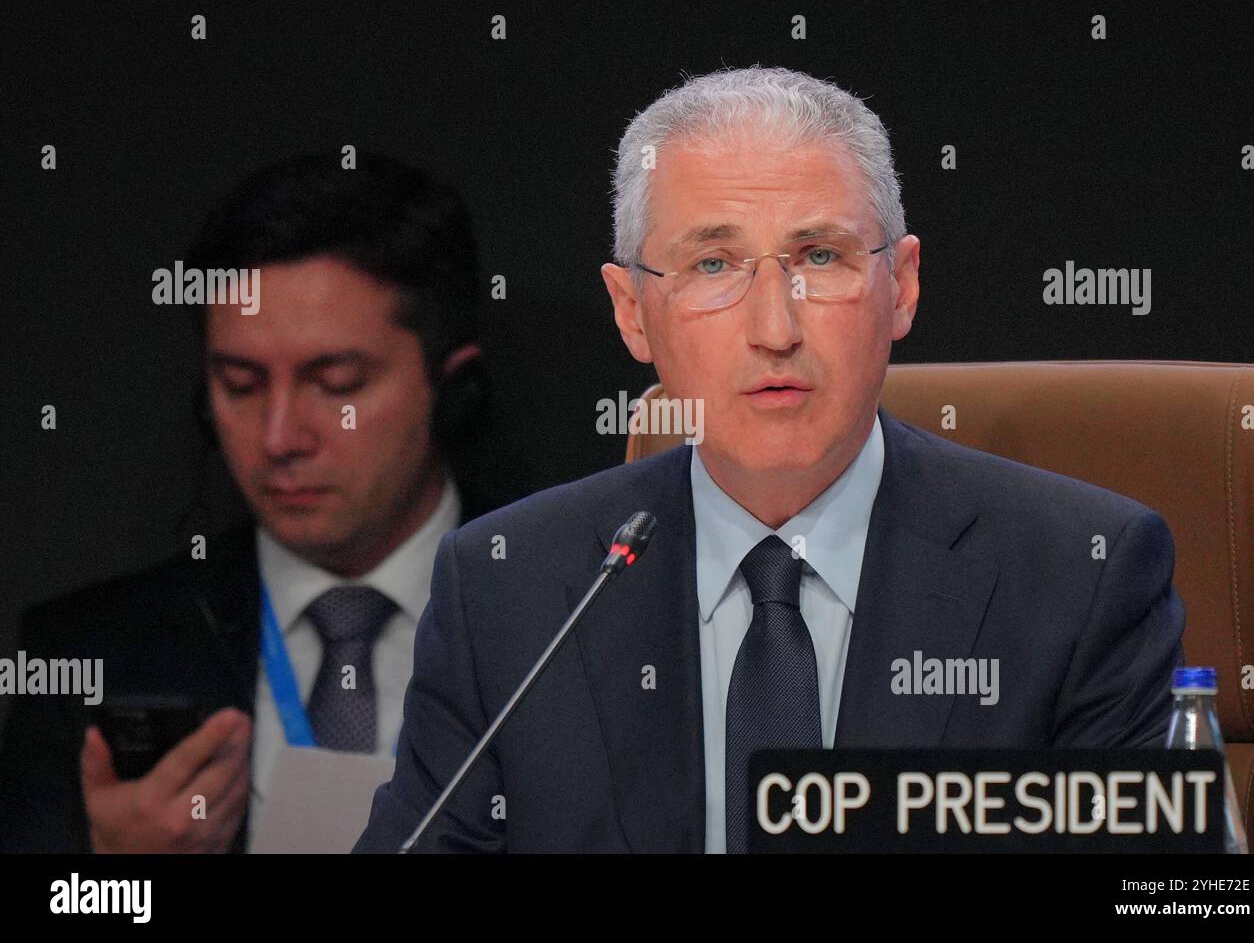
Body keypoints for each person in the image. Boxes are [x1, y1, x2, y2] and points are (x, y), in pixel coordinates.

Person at [354, 67, 1185, 854]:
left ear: (901, 284)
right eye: (713, 265)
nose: (775, 328)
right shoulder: (511, 590)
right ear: (632, 312)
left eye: (819, 257)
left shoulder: (1081, 578)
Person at [0, 152, 494, 852]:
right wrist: (117, 881)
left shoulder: (577, 620)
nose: (279, 436)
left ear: (451, 389)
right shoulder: (94, 653)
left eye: (339, 383)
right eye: (240, 384)